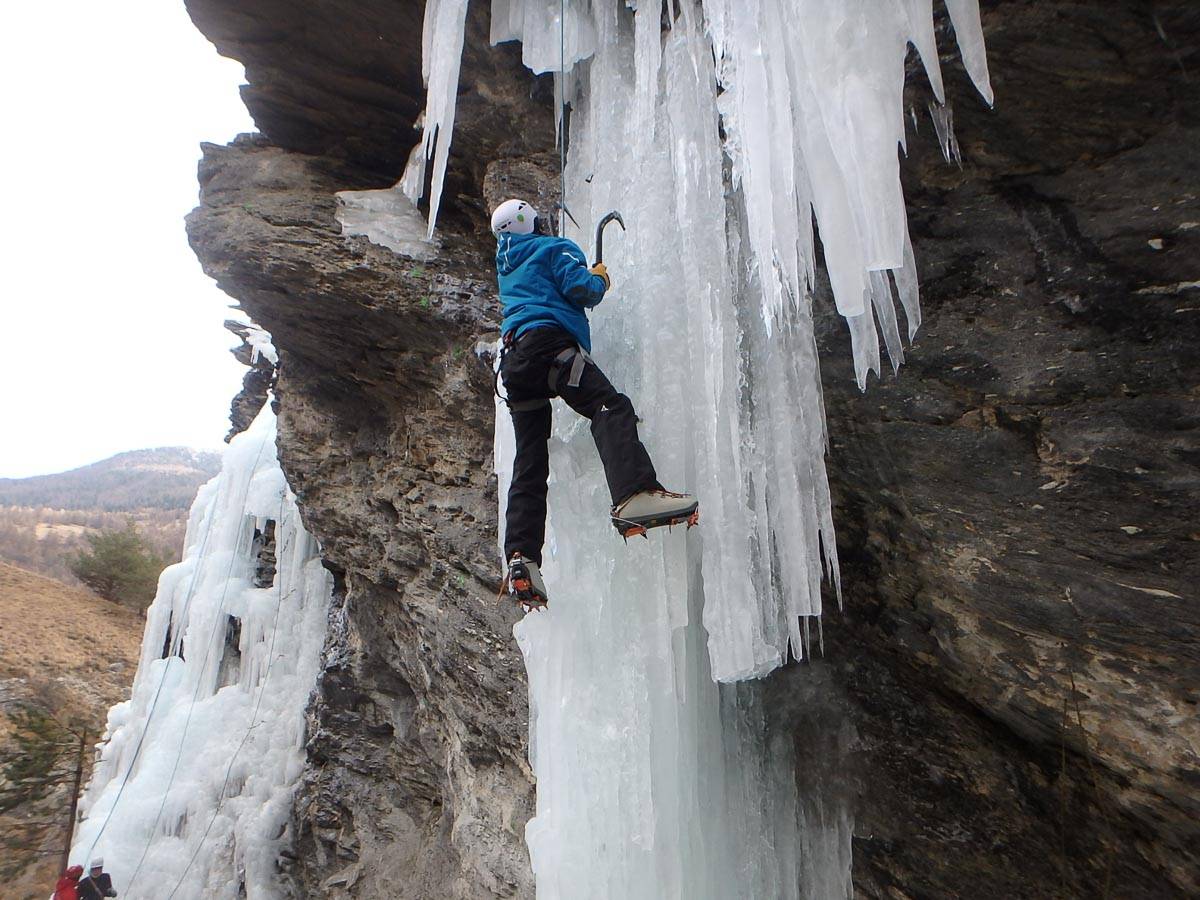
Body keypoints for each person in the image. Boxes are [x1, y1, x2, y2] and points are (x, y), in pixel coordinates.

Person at [491, 198, 698, 607]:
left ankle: (521, 558)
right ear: (533, 223)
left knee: (530, 461)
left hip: (514, 364)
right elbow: (581, 289)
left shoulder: (506, 266)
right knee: (610, 407)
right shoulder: (553, 248)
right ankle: (634, 493)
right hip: (551, 348)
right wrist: (598, 278)